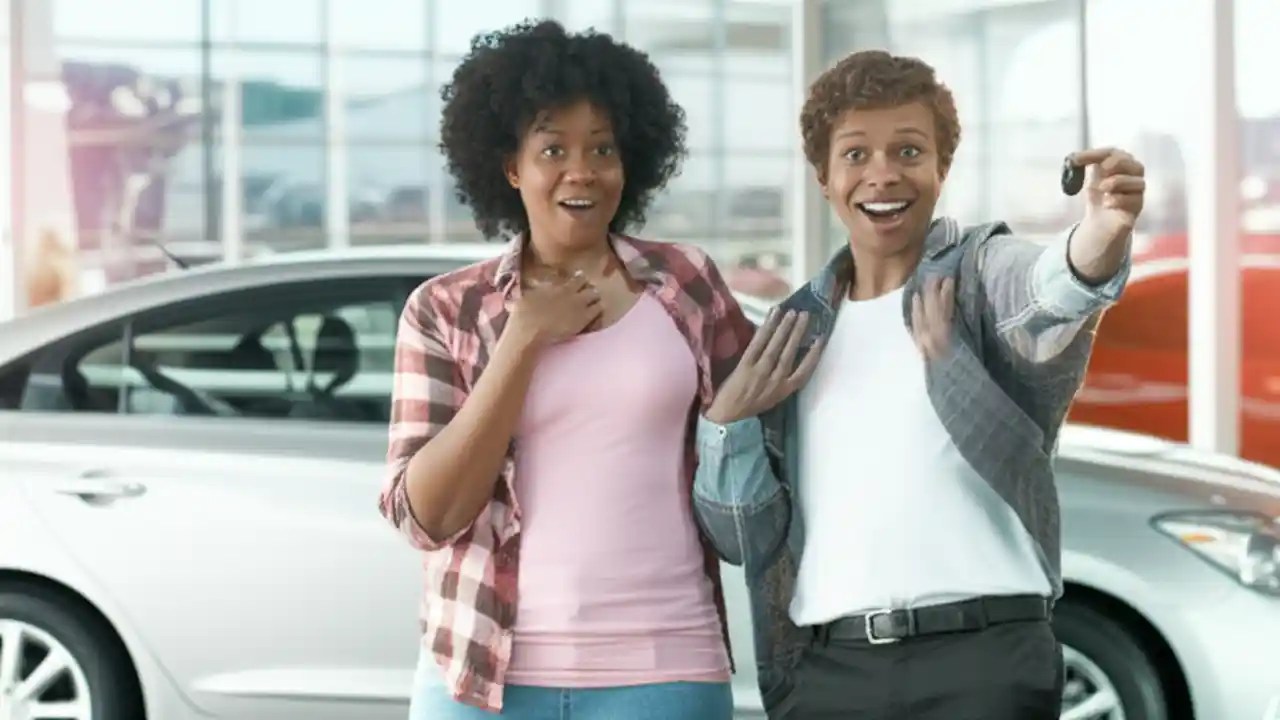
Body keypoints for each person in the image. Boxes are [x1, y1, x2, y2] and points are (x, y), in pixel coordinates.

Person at [693, 50, 1144, 719]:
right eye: (855, 155)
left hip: (984, 665)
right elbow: (739, 537)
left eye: (908, 150)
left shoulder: (978, 278)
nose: (882, 174)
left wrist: (1102, 231)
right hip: (829, 675)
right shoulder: (793, 334)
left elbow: (1049, 292)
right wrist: (726, 427)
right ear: (823, 177)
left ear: (941, 168)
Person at [377, 19, 777, 720]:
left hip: (665, 667)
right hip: (478, 679)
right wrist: (524, 337)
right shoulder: (446, 310)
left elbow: (763, 442)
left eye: (602, 148)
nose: (581, 170)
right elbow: (427, 516)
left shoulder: (687, 284)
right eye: (553, 148)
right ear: (510, 167)